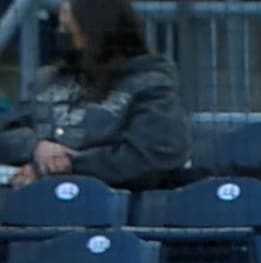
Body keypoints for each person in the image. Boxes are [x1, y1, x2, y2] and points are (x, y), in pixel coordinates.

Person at [0, 0, 191, 190]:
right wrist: (36, 148)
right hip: (34, 200)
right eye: (60, 27)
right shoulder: (48, 80)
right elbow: (6, 131)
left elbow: (152, 157)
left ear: (94, 30)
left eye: (68, 28)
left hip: (113, 205)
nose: (60, 35)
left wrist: (67, 166)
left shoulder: (150, 85)